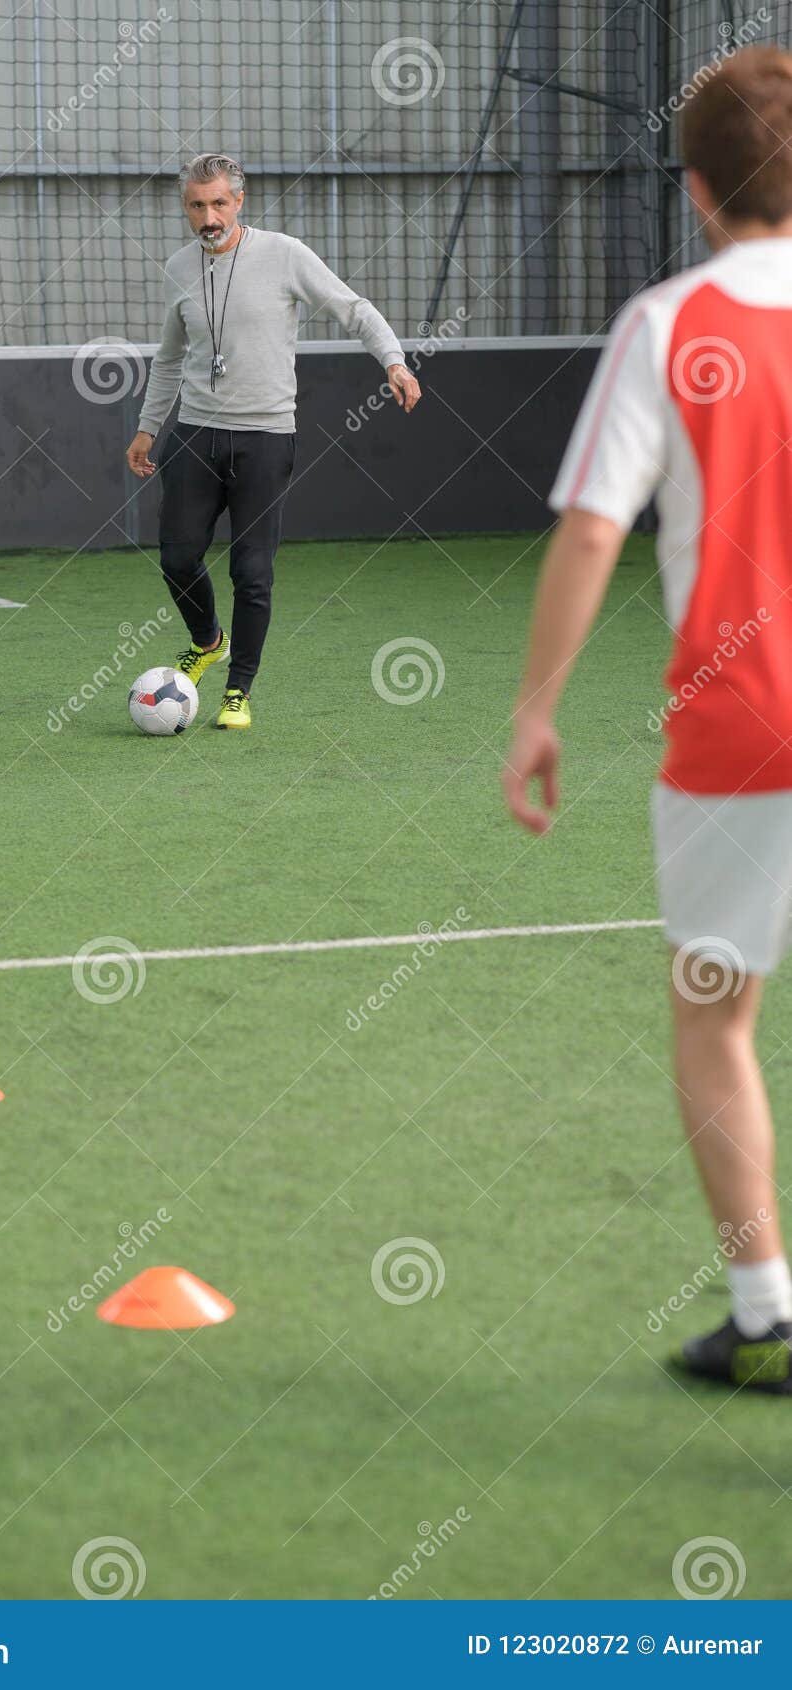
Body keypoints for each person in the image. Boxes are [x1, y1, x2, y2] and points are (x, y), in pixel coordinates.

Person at [504, 46, 792, 1394]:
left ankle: (762, 1311)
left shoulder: (667, 326)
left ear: (692, 190)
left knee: (710, 1015)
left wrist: (533, 711)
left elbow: (586, 530)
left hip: (738, 732)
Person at [127, 152, 421, 729]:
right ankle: (208, 640)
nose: (208, 216)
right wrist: (147, 429)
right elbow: (168, 359)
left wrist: (394, 362)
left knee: (251, 571)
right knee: (178, 556)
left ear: (239, 201)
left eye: (219, 203)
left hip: (264, 437)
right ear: (185, 207)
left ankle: (239, 690)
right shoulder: (179, 268)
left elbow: (353, 309)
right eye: (196, 205)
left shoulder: (284, 255)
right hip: (194, 434)